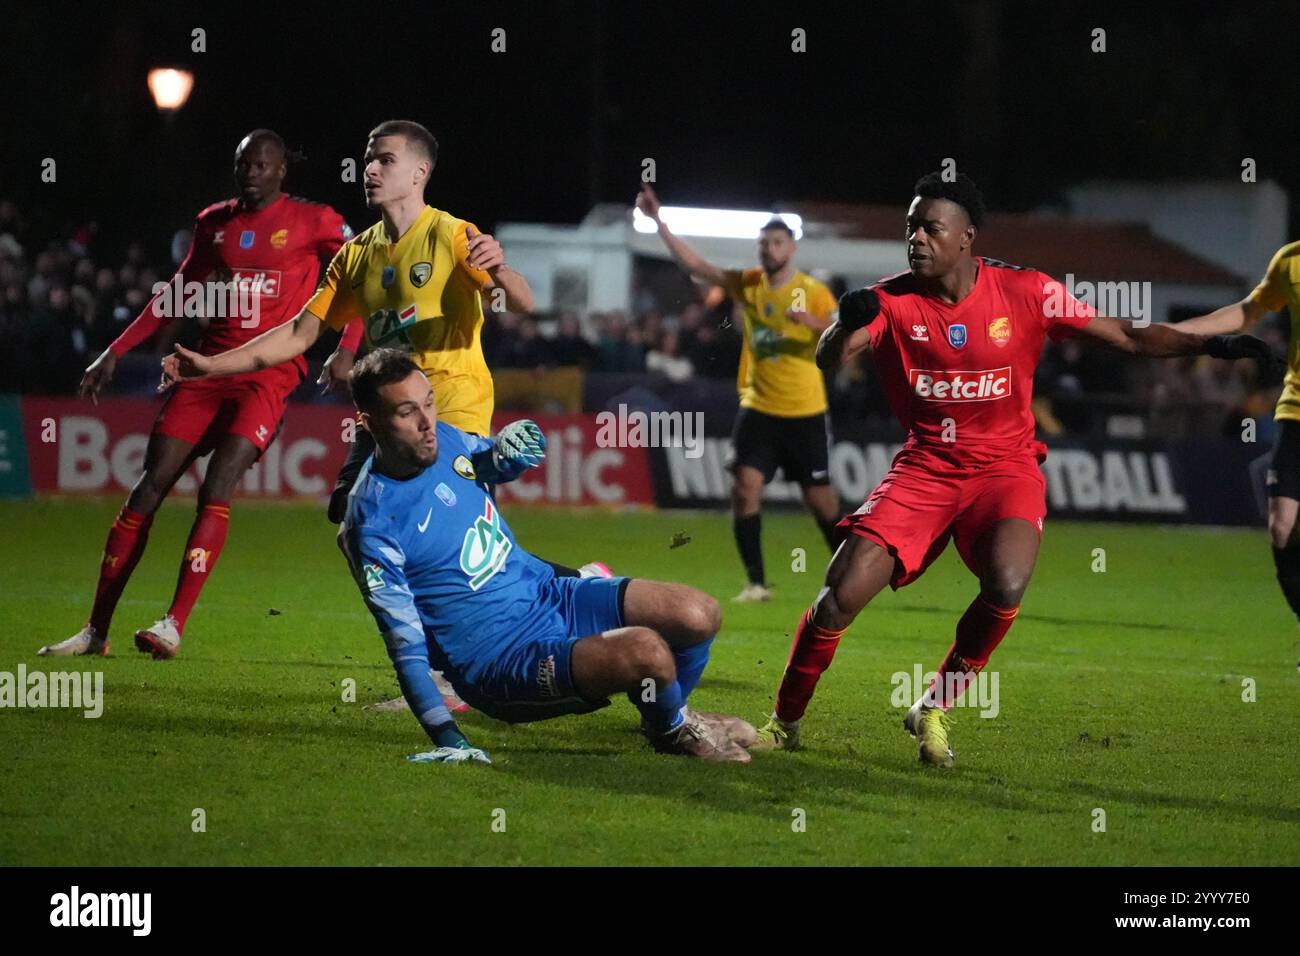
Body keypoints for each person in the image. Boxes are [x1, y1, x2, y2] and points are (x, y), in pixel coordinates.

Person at [751, 171, 1278, 765]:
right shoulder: (892, 297)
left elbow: (1127, 337)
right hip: (925, 467)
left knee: (1005, 585)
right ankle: (784, 721)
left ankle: (935, 707)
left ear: (966, 236)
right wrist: (848, 319)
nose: (917, 239)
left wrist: (1208, 344)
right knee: (838, 597)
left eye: (930, 228)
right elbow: (831, 356)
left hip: (1006, 470)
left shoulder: (1026, 291)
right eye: (910, 229)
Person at [337, 348, 756, 763]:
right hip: (500, 660)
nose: (427, 422)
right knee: (647, 651)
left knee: (699, 613)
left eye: (429, 402)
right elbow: (405, 648)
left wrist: (510, 454)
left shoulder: (445, 438)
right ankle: (673, 730)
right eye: (407, 412)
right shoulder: (373, 523)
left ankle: (668, 712)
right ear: (370, 422)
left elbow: (488, 459)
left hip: (549, 595)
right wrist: (449, 738)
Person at [40, 129, 357, 660]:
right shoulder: (214, 223)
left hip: (268, 375)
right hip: (204, 370)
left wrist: (345, 347)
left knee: (218, 483)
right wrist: (114, 351)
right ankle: (95, 631)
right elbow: (179, 292)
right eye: (243, 163)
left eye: (262, 164)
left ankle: (173, 624)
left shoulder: (317, 221)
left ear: (282, 170)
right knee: (149, 487)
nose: (251, 172)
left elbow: (359, 278)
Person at [637, 185, 840, 602]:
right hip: (758, 407)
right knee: (744, 489)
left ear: (792, 248)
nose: (768, 248)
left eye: (776, 242)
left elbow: (851, 337)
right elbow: (696, 264)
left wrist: (813, 324)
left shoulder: (814, 292)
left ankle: (851, 572)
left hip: (804, 411)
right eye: (763, 242)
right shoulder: (750, 283)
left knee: (820, 502)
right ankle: (757, 583)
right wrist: (659, 222)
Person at [1177, 241, 1300, 665]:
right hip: (1296, 412)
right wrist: (1185, 331)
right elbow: (1248, 311)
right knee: (1283, 528)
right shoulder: (1291, 260)